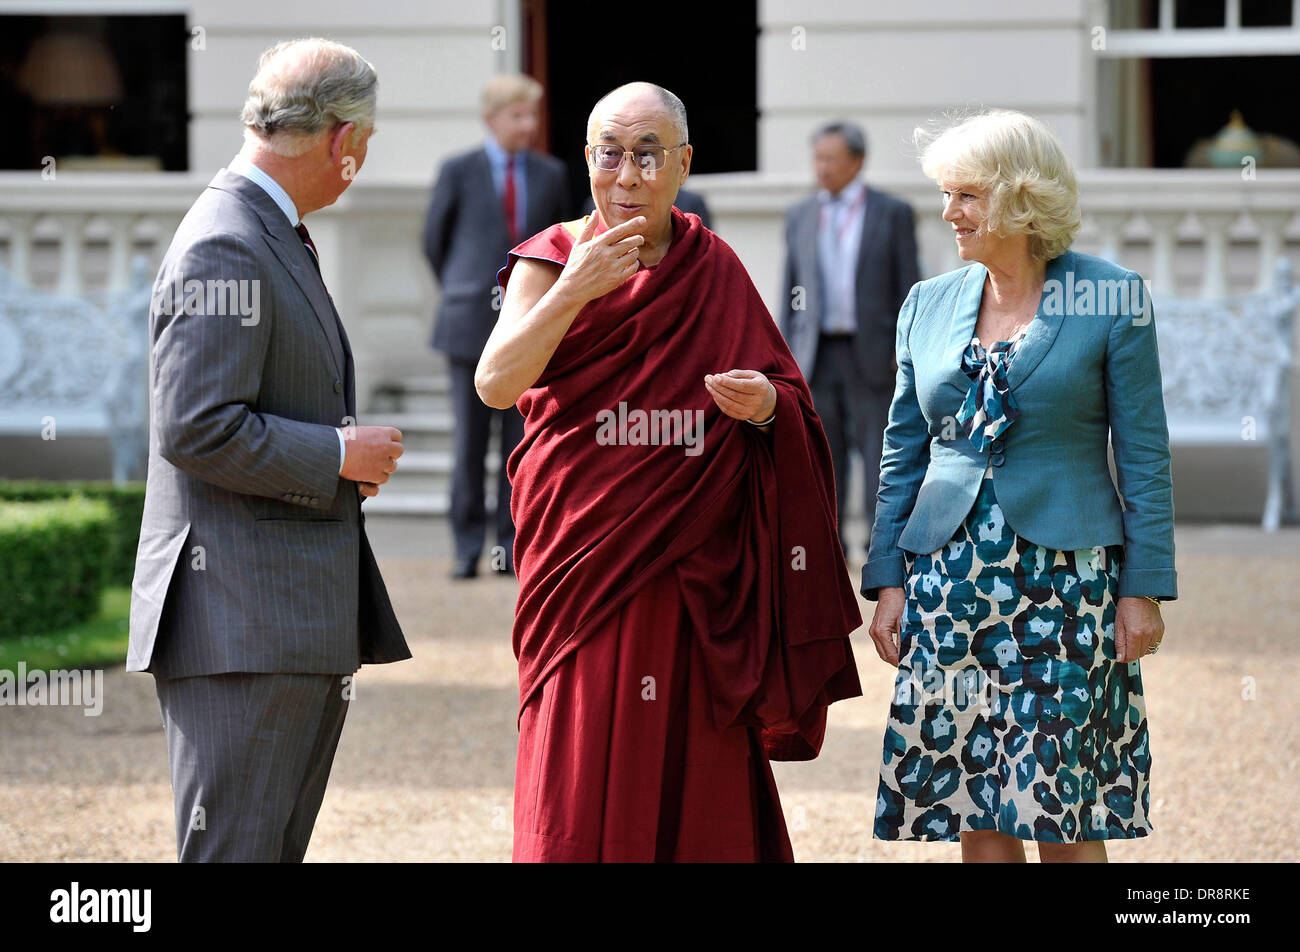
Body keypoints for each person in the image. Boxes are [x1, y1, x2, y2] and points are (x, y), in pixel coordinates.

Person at [476, 82, 863, 862]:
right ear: (587, 159)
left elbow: (788, 399)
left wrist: (763, 410)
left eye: (647, 155)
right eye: (609, 153)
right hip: (585, 555)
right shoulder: (549, 257)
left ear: (682, 164)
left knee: (689, 750)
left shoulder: (709, 264)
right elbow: (496, 383)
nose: (626, 174)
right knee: (581, 743)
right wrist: (576, 290)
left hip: (690, 563)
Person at [861, 109, 1176, 862]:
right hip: (950, 579)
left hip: (1064, 585)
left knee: (1059, 806)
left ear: (1020, 196)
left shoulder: (1111, 296)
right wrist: (888, 581)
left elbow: (1145, 454)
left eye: (966, 195)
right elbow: (903, 450)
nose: (948, 213)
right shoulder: (927, 303)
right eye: (946, 194)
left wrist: (1144, 586)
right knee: (978, 800)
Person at [127, 38, 410, 862]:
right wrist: (336, 455)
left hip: (273, 623)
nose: (360, 157)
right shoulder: (229, 240)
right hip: (242, 625)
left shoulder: (263, 227)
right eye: (366, 139)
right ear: (338, 138)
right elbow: (194, 427)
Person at [424, 74, 571, 579]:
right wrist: (466, 291)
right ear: (492, 119)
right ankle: (467, 549)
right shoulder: (457, 170)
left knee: (520, 444)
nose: (528, 125)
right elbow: (434, 242)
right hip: (467, 325)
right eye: (517, 116)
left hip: (530, 328)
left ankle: (512, 549)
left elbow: (558, 248)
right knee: (468, 444)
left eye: (532, 115)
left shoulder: (551, 174)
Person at [779, 121, 920, 556]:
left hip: (873, 353)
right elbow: (791, 291)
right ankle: (830, 549)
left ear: (856, 162)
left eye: (830, 159)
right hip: (816, 354)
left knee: (881, 454)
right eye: (817, 158)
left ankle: (883, 552)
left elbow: (908, 286)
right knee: (825, 455)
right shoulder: (800, 214)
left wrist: (908, 349)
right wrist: (784, 355)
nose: (821, 168)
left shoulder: (892, 213)